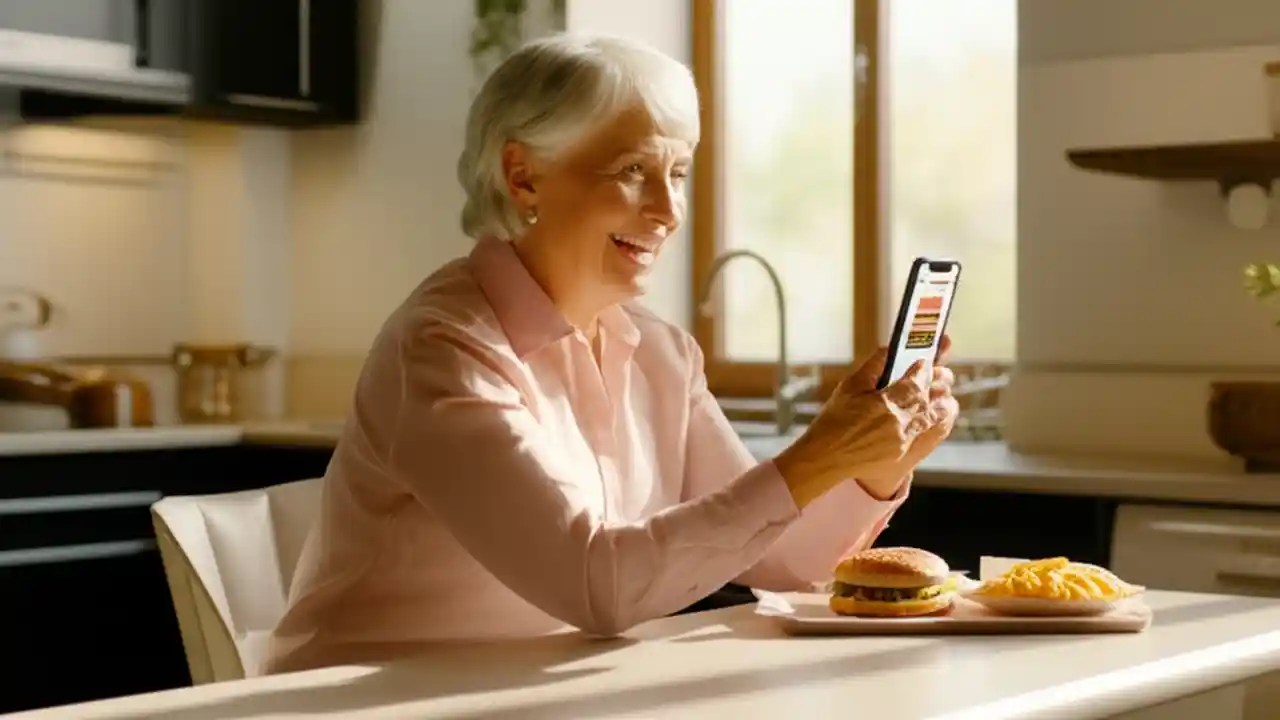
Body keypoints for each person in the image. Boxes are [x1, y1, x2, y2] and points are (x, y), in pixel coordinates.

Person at [263, 32, 958, 675]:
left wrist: (873, 464)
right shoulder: (443, 347)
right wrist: (818, 456)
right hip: (365, 706)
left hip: (537, 697)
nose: (668, 209)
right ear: (523, 176)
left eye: (678, 173)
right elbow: (596, 585)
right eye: (633, 170)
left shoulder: (659, 353)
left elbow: (786, 558)